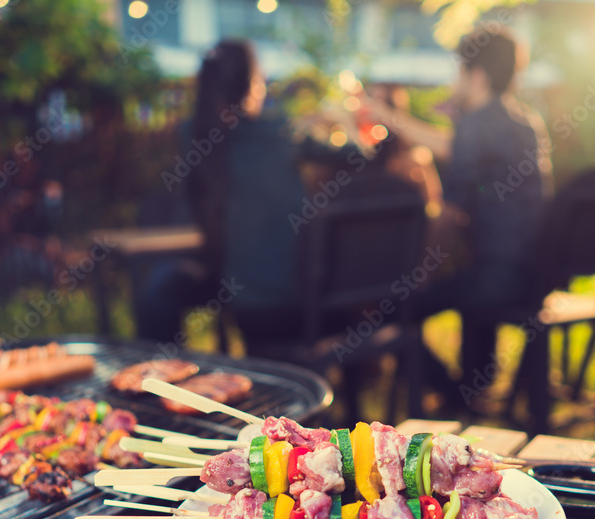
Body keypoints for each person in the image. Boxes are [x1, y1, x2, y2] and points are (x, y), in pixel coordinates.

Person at [364, 26, 553, 400]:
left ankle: (453, 395)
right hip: (535, 272)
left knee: (388, 310)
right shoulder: (524, 122)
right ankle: (476, 385)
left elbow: (450, 212)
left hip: (498, 279)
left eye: (458, 71)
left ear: (476, 76)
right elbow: (453, 147)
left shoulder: (476, 125)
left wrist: (419, 272)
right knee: (470, 274)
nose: (454, 81)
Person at [135, 40, 354, 342]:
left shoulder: (193, 133)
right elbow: (357, 155)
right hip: (284, 306)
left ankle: (163, 376)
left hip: (234, 293)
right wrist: (344, 122)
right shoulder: (281, 133)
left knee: (158, 289)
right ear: (254, 86)